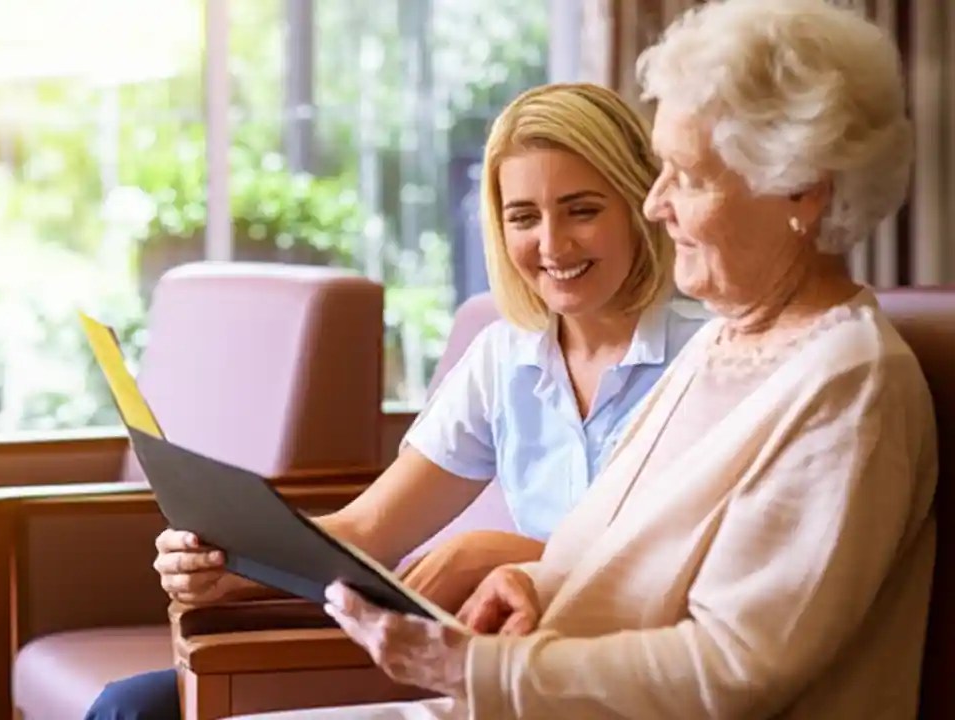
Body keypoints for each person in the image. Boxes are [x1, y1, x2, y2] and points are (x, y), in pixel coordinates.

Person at [238, 1, 937, 718]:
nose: (656, 205)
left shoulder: (850, 384)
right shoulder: (731, 341)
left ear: (803, 190)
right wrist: (535, 586)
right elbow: (619, 554)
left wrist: (474, 667)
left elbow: (734, 667)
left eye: (688, 178)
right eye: (660, 171)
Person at [83, 82, 712, 719]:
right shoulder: (505, 358)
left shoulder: (713, 357)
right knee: (132, 708)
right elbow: (367, 531)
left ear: (639, 205)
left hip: (623, 677)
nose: (552, 245)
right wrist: (226, 566)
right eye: (524, 217)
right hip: (500, 660)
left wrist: (513, 556)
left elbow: (700, 568)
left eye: (582, 210)